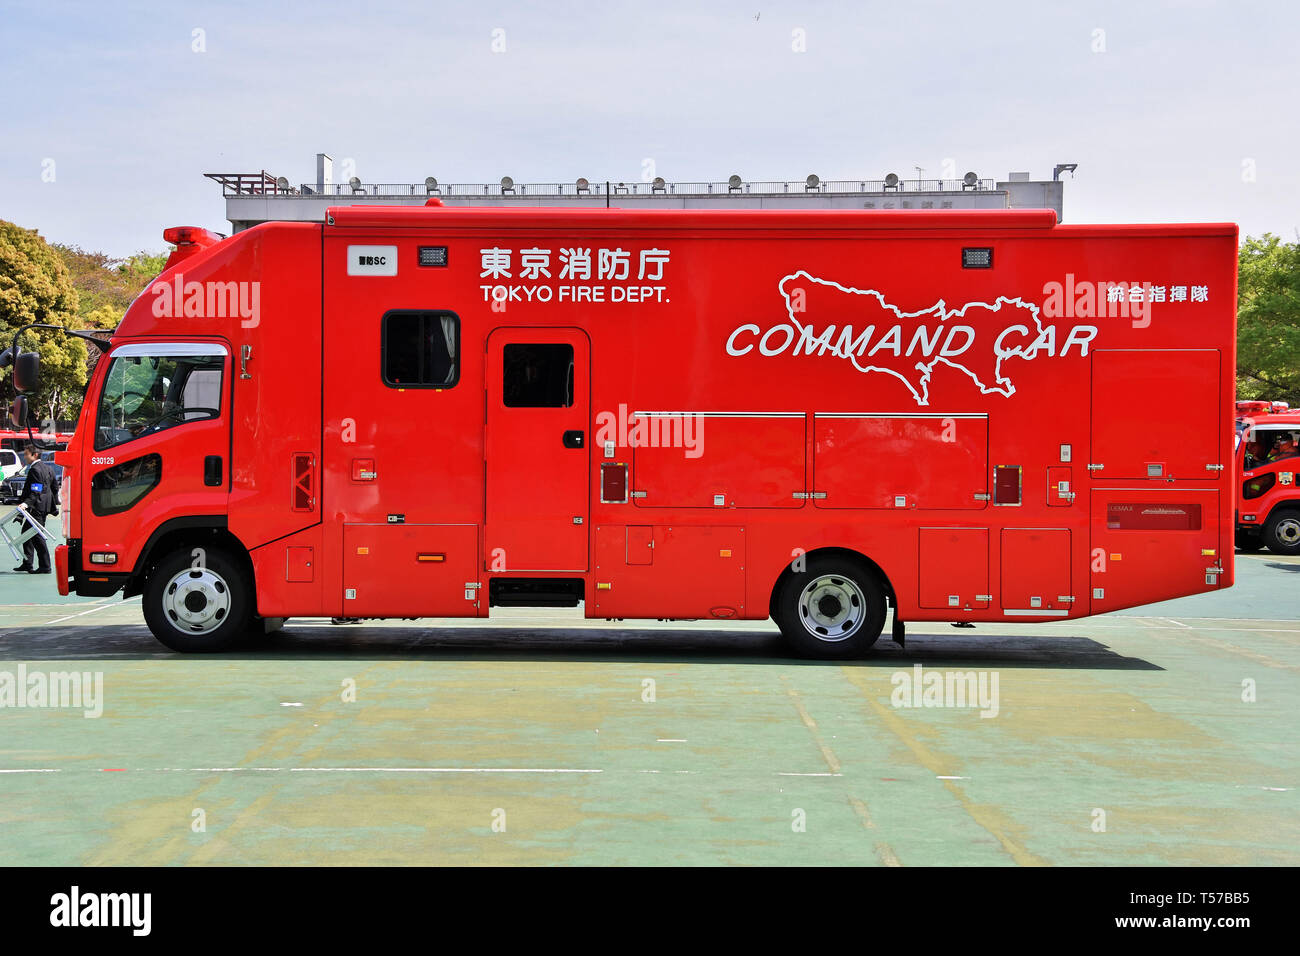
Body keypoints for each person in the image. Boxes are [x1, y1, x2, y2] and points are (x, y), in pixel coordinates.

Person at [12, 444, 55, 574]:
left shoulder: (35, 470)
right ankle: (27, 562)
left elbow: (36, 490)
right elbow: (54, 488)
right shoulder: (48, 468)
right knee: (27, 535)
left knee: (36, 536)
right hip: (43, 507)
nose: (24, 457)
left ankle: (45, 566)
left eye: (26, 454)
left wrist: (26, 504)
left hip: (36, 508)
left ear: (34, 455)